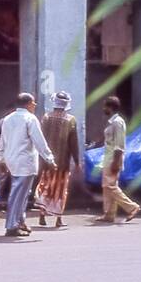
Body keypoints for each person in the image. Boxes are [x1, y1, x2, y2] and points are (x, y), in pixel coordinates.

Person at [0, 92, 56, 237]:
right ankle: (12, 225)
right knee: (18, 194)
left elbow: (2, 142)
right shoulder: (30, 118)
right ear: (28, 104)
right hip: (25, 162)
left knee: (22, 194)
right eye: (33, 103)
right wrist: (49, 159)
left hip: (12, 160)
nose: (35, 105)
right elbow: (39, 141)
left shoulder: (7, 119)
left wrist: (2, 158)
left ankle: (20, 221)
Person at [35, 90, 82, 229]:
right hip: (63, 163)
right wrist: (77, 161)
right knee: (61, 190)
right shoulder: (70, 120)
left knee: (45, 187)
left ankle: (42, 215)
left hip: (47, 162)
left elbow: (40, 139)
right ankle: (58, 219)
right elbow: (73, 143)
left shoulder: (46, 117)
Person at [96, 95, 141, 224]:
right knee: (108, 187)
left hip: (114, 158)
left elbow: (119, 145)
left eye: (105, 106)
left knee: (109, 186)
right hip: (108, 157)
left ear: (110, 107)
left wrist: (116, 162)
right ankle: (109, 214)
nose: (103, 109)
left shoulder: (118, 122)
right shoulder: (112, 122)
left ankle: (132, 207)